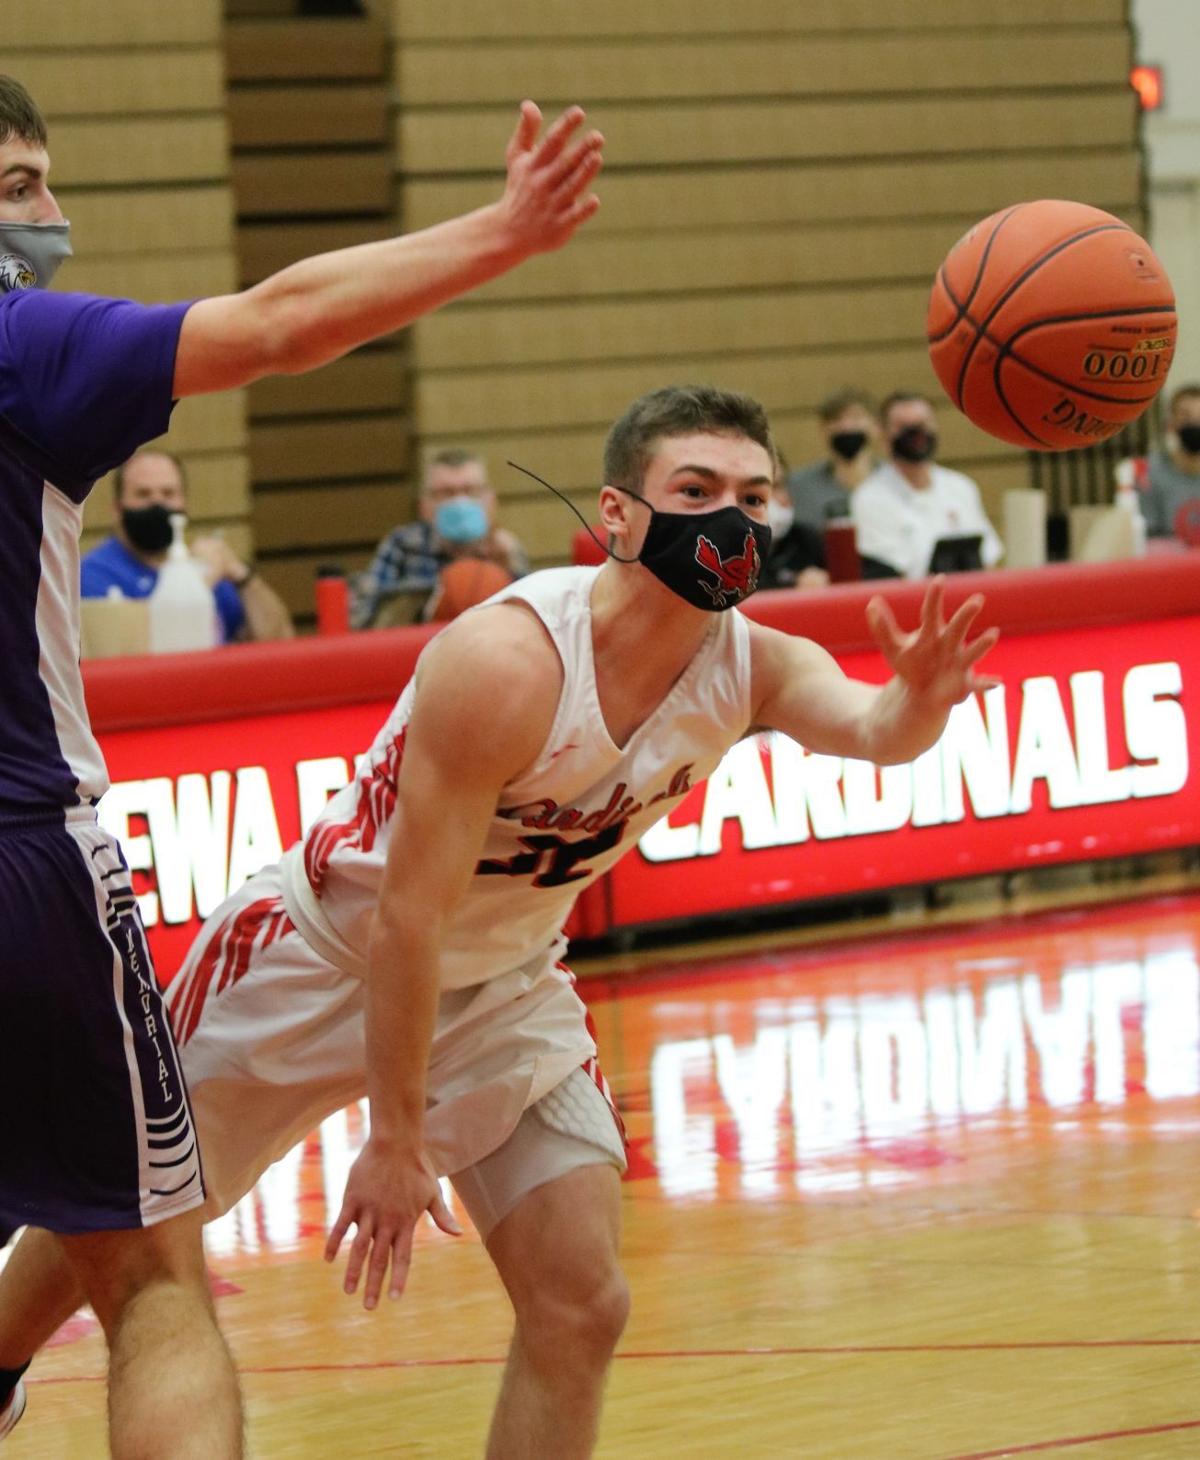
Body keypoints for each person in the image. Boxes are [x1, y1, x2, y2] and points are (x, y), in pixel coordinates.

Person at [0, 384, 1000, 1459]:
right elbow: (407, 920)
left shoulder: (750, 662)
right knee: (126, 1221)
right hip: (317, 953)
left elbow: (870, 726)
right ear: (617, 516)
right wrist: (394, 1139)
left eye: (755, 496)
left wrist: (923, 701)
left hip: (507, 977)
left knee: (583, 1299)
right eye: (698, 490)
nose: (733, 520)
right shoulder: (509, 661)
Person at [0, 69, 604, 1459]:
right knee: (152, 1284)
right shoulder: (21, 346)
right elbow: (277, 326)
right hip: (22, 853)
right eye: (22, 187)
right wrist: (500, 235)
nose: (55, 217)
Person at [81, 448, 295, 643]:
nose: (157, 503)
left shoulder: (207, 567)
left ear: (184, 505)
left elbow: (279, 640)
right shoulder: (90, 577)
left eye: (168, 493)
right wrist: (197, 586)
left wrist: (240, 574)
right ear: (117, 510)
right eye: (143, 494)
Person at [351, 448, 530, 628]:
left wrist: (509, 573)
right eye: (446, 493)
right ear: (424, 506)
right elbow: (362, 618)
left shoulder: (506, 549)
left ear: (491, 501)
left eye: (470, 491)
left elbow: (531, 620)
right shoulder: (403, 545)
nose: (460, 501)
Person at [852, 391, 1004, 579]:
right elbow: (891, 576)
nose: (916, 434)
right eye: (903, 427)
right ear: (883, 435)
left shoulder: (961, 487)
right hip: (912, 603)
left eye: (923, 425)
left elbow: (989, 559)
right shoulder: (870, 498)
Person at [785, 388, 881, 532]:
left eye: (856, 417)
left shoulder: (897, 481)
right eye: (837, 419)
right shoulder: (797, 487)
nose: (846, 426)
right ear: (823, 429)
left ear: (876, 426)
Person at [1126, 382, 1200, 539]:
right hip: (1169, 560)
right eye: (1186, 416)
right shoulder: (1150, 473)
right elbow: (1146, 536)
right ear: (1170, 424)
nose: (1195, 423)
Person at [760, 450, 829, 590]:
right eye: (760, 489)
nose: (771, 498)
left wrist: (830, 578)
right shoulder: (723, 549)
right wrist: (793, 586)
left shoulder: (806, 540)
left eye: (778, 486)